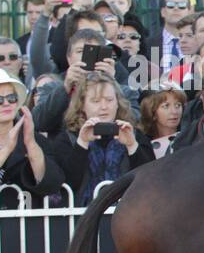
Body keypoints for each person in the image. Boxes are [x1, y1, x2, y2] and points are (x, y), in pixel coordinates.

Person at [49, 73, 155, 205]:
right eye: (96, 101)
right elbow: (66, 184)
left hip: (127, 216)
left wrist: (132, 146)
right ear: (82, 105)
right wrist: (82, 144)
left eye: (109, 100)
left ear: (117, 103)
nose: (104, 107)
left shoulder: (135, 135)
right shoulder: (67, 139)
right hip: (83, 218)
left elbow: (150, 180)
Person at [0, 68, 64, 210]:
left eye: (12, 98)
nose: (6, 103)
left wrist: (31, 145)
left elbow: (52, 185)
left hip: (26, 228)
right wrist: (6, 150)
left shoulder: (36, 140)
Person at [138, 85, 187, 158]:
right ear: (151, 111)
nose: (174, 111)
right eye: (166, 106)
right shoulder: (142, 144)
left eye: (178, 105)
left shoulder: (191, 136)